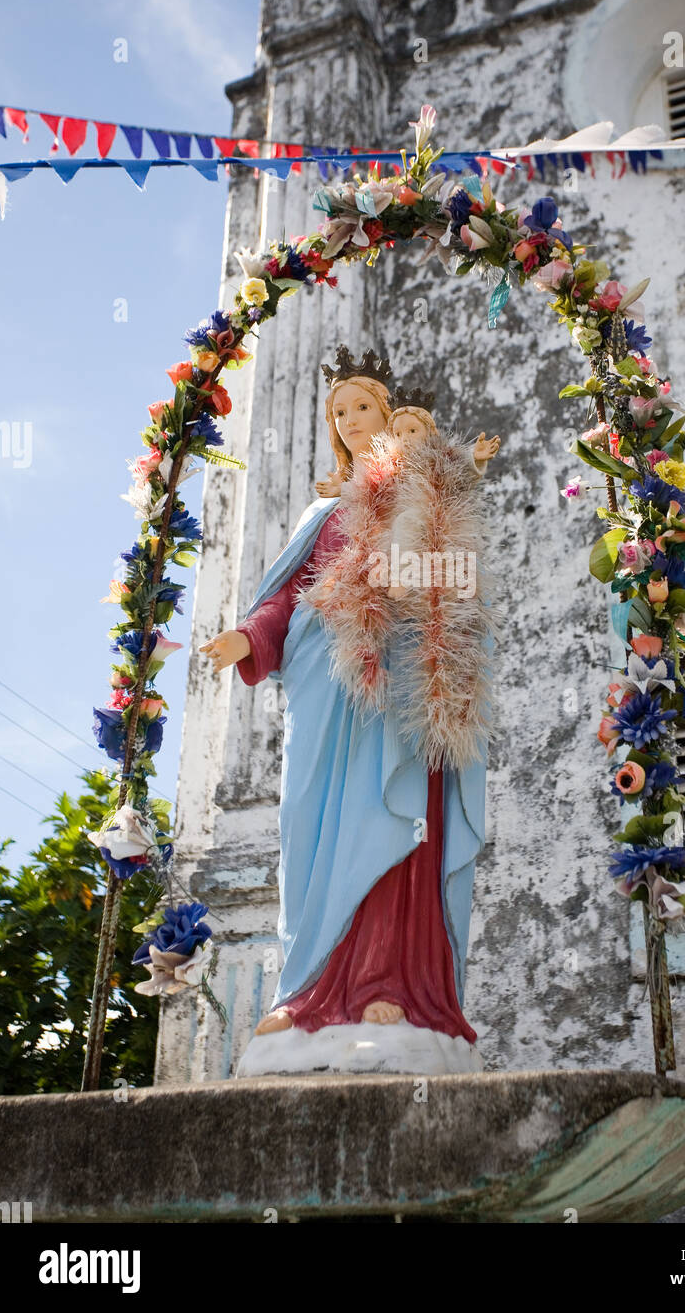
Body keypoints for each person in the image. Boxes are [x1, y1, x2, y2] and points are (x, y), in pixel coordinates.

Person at [199, 346, 494, 1054]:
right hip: (321, 686)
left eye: (363, 406)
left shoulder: (419, 499)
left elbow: (456, 580)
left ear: (389, 416)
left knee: (392, 825)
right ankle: (305, 993)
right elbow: (286, 598)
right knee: (309, 830)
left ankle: (387, 981)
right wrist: (247, 638)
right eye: (339, 411)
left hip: (390, 687)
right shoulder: (323, 512)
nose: (351, 419)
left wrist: (408, 573)